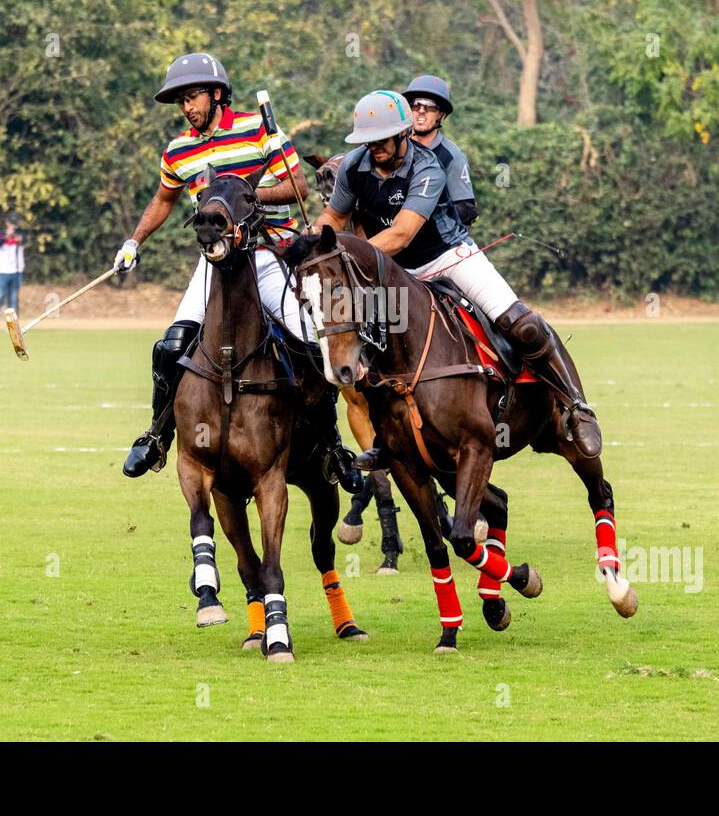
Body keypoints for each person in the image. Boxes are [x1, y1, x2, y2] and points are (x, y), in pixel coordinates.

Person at [114, 52, 361, 489]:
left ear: (216, 94)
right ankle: (157, 435)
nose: (188, 107)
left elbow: (298, 186)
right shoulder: (178, 150)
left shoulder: (257, 128)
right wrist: (134, 241)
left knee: (309, 339)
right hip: (215, 260)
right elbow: (164, 199)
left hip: (266, 253)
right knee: (170, 346)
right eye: (181, 101)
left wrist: (237, 198)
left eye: (193, 96)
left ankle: (331, 445)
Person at [315, 89, 602, 462]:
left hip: (447, 257)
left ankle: (574, 405)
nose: (374, 148)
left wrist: (349, 256)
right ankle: (387, 439)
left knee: (521, 322)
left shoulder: (427, 166)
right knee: (361, 343)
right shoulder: (354, 166)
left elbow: (403, 233)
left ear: (403, 133)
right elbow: (334, 218)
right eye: (367, 141)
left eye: (381, 139)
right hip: (392, 270)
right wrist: (315, 242)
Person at [402, 75, 478, 228]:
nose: (421, 111)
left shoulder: (452, 156)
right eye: (415, 105)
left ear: (441, 115)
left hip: (433, 242)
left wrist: (423, 214)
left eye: (429, 106)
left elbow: (467, 209)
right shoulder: (393, 146)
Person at [0, 213, 24, 333]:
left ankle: (12, 327)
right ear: (7, 223)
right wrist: (7, 235)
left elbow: (23, 241)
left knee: (13, 300)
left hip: (16, 271)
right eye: (12, 223)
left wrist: (16, 238)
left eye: (15, 223)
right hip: (2, 271)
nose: (14, 225)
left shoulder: (20, 234)